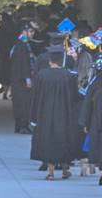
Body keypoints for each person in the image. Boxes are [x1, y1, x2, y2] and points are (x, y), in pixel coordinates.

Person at [29, 49, 81, 180]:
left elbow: (35, 96)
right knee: (64, 139)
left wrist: (34, 115)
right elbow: (75, 96)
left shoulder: (41, 75)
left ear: (50, 61)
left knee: (48, 140)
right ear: (61, 60)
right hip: (64, 113)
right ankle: (64, 170)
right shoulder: (69, 76)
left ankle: (50, 172)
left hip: (45, 113)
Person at [9, 23, 35, 134]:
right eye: (31, 31)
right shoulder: (22, 45)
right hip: (21, 79)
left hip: (16, 78)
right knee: (24, 103)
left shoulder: (18, 43)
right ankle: (23, 125)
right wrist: (27, 78)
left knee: (18, 102)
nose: (33, 34)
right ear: (24, 31)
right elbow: (23, 63)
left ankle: (19, 125)